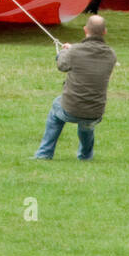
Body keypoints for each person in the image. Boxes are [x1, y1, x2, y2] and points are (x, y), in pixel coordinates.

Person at [33, 16, 117, 161]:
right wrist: (72, 49)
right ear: (104, 32)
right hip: (96, 110)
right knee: (87, 125)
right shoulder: (111, 55)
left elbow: (62, 65)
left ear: (85, 30)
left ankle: (44, 154)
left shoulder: (75, 52)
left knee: (55, 109)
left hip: (71, 107)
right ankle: (86, 156)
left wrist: (64, 51)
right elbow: (89, 56)